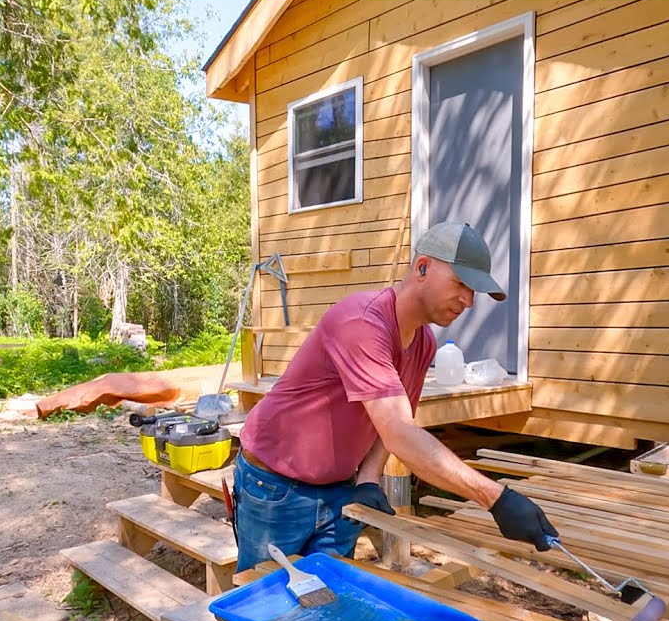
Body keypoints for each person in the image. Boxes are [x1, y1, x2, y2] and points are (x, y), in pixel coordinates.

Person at [232, 221, 560, 577]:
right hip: (275, 487)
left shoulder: (423, 344)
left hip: (340, 488)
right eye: (461, 284)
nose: (468, 301)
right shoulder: (361, 322)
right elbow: (399, 433)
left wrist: (369, 479)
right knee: (265, 602)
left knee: (327, 602)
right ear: (422, 267)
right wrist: (495, 498)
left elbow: (388, 425)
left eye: (474, 291)